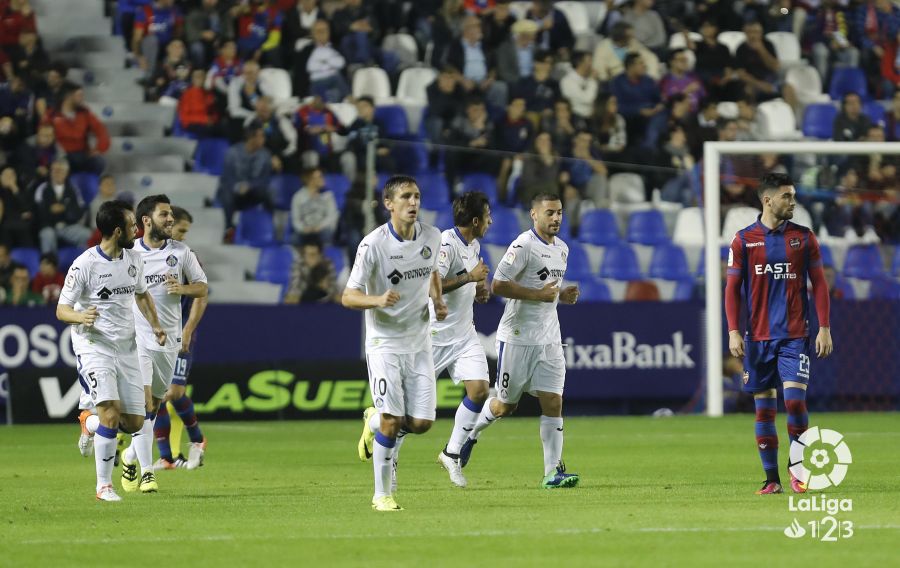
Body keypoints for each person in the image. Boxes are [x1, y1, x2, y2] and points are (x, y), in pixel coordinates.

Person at [456, 192, 580, 489]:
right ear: (534, 215)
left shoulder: (562, 249)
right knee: (505, 405)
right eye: (550, 213)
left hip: (549, 337)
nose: (556, 218)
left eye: (559, 212)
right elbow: (497, 285)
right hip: (517, 337)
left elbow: (549, 290)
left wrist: (561, 296)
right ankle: (471, 435)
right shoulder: (523, 246)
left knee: (553, 401)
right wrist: (538, 295)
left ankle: (552, 472)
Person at [725, 173, 833, 495]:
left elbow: (821, 284)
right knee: (764, 409)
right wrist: (733, 331)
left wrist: (824, 326)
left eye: (794, 195)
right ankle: (772, 480)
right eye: (787, 196)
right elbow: (732, 290)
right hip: (757, 339)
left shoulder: (804, 238)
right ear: (767, 200)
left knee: (796, 403)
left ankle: (798, 472)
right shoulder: (743, 240)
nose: (793, 201)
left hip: (795, 336)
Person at [345, 175, 446, 512]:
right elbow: (348, 296)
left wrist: (438, 299)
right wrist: (377, 300)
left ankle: (372, 421)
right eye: (405, 197)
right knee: (393, 419)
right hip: (384, 344)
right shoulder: (373, 245)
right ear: (389, 204)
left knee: (420, 424)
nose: (413, 202)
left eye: (417, 196)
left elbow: (431, 271)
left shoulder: (432, 236)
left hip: (419, 344)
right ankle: (381, 495)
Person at [64, 200, 166, 501]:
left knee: (134, 421)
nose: (138, 229)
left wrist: (157, 325)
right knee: (110, 413)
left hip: (127, 346)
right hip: (94, 344)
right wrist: (80, 317)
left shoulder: (134, 259)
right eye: (133, 224)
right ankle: (103, 487)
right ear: (118, 230)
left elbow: (142, 295)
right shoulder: (85, 264)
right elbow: (61, 309)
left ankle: (87, 421)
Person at [120, 195, 208, 492]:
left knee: (157, 403)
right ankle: (148, 473)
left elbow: (202, 288)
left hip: (168, 340)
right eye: (164, 215)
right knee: (146, 402)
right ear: (147, 220)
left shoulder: (182, 253)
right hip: (138, 339)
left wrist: (181, 288)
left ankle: (131, 454)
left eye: (171, 214)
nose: (170, 219)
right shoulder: (129, 253)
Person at [432, 192, 492, 487]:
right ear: (476, 220)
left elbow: (470, 282)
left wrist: (479, 289)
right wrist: (470, 278)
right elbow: (435, 285)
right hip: (434, 336)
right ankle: (379, 431)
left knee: (480, 390)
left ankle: (451, 453)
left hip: (464, 334)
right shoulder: (446, 242)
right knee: (408, 411)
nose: (491, 222)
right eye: (488, 216)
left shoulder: (474, 245)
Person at [153, 206, 210, 470]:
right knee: (155, 395)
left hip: (180, 334)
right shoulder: (146, 254)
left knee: (173, 392)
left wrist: (188, 329)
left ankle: (197, 440)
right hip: (153, 336)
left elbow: (202, 294)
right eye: (181, 230)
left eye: (185, 231)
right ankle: (166, 457)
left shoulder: (185, 256)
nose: (183, 236)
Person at [217, 122, 275, 240]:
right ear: (251, 138)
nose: (264, 139)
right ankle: (229, 229)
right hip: (235, 191)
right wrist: (238, 187)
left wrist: (250, 186)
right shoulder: (233, 152)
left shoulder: (266, 155)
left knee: (269, 192)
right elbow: (227, 178)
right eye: (261, 136)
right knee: (225, 192)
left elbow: (265, 180)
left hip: (254, 191)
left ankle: (270, 227)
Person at [33, 158, 91, 254]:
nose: (57, 173)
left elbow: (79, 211)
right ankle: (49, 266)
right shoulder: (42, 189)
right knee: (47, 235)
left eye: (61, 170)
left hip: (67, 226)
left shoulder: (73, 189)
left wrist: (64, 209)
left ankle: (85, 265)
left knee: (87, 235)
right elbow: (38, 212)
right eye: (55, 170)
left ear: (66, 173)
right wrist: (50, 211)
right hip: (49, 226)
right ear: (50, 172)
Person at [291, 167, 338, 244]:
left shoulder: (328, 195)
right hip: (305, 230)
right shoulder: (298, 197)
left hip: (322, 230)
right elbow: (296, 220)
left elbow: (331, 216)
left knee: (327, 234)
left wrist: (319, 227)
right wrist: (303, 229)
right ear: (310, 179)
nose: (323, 179)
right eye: (320, 176)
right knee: (294, 238)